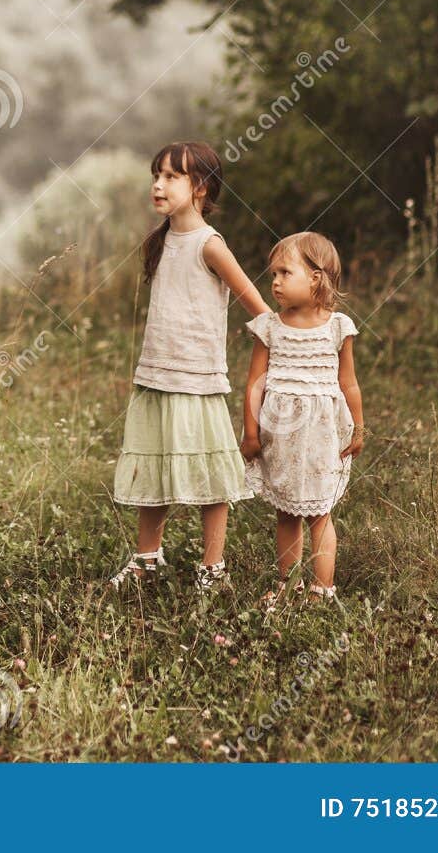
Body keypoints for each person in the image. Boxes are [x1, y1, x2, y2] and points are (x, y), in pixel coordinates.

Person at [112, 141, 267, 592]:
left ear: (200, 187)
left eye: (171, 177)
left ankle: (212, 568)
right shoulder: (159, 241)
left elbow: (257, 308)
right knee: (154, 469)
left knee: (210, 475)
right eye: (155, 176)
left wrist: (288, 354)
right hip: (157, 374)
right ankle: (146, 560)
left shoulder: (210, 244)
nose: (158, 185)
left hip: (197, 380)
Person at [239, 231, 365, 600]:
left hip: (322, 436)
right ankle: (287, 583)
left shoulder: (337, 327)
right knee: (287, 513)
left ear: (315, 277)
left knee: (319, 513)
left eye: (284, 273)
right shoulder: (270, 328)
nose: (275, 282)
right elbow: (254, 385)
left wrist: (358, 428)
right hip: (281, 437)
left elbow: (349, 383)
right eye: (272, 274)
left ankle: (322, 588)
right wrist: (250, 432)